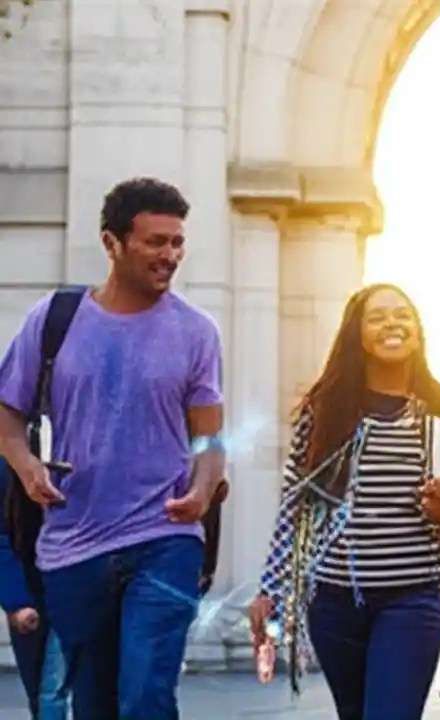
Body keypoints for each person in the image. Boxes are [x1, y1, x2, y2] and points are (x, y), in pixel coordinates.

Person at [0, 177, 225, 720]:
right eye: (155, 242)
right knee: (94, 704)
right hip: (74, 545)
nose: (169, 255)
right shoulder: (53, 319)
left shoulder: (197, 332)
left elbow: (209, 436)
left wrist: (200, 489)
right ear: (112, 243)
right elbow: (7, 414)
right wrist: (27, 467)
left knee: (146, 693)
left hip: (164, 539)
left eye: (176, 243)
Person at [248, 283, 440, 720]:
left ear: (418, 330)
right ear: (357, 334)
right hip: (334, 602)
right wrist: (270, 588)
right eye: (377, 317)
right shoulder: (326, 411)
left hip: (412, 597)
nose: (392, 323)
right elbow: (296, 504)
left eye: (402, 314)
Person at [0, 467, 69, 719]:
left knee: (53, 689)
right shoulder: (9, 461)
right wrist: (17, 602)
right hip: (32, 589)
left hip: (80, 584)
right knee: (41, 689)